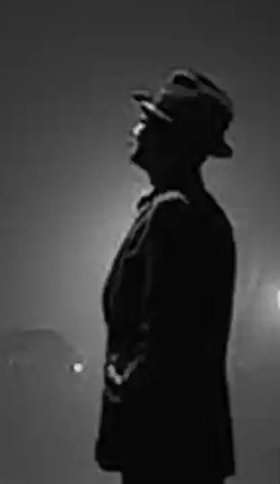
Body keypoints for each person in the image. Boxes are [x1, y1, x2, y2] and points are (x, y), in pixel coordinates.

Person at [96, 68, 238, 483]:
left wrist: (126, 386)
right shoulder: (184, 212)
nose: (138, 127)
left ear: (171, 142)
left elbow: (166, 334)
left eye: (151, 122)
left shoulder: (174, 215)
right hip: (174, 439)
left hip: (164, 442)